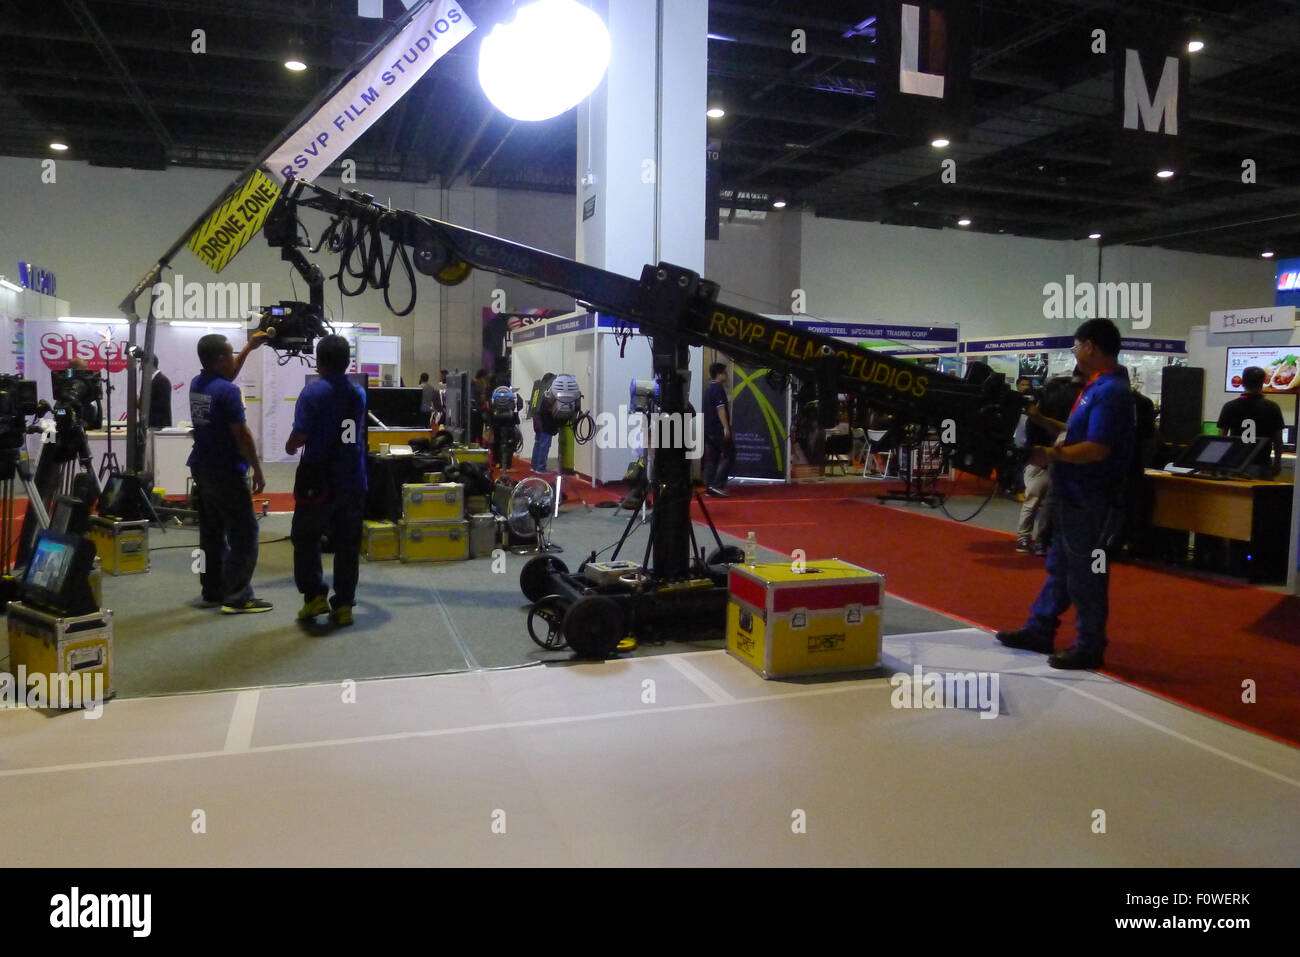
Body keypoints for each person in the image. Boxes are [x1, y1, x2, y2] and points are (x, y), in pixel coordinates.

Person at [996, 319, 1135, 670]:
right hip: (1074, 494)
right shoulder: (1097, 387)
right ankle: (1040, 628)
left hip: (1091, 497)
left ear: (1090, 345)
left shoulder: (1110, 392)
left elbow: (1097, 448)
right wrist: (1041, 419)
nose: (1074, 352)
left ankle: (1090, 645)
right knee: (1061, 567)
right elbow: (1075, 434)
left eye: (1076, 345)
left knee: (1087, 573)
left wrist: (1052, 455)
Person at [285, 335, 367, 627]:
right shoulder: (358, 394)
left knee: (306, 538)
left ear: (319, 362)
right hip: (352, 479)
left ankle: (314, 597)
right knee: (347, 544)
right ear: (348, 362)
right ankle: (344, 605)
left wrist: (289, 446)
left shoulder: (312, 393)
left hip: (317, 481)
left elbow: (300, 435)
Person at [188, 332, 270, 614]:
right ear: (221, 358)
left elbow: (228, 376)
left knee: (211, 533)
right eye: (231, 352)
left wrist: (249, 347)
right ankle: (237, 596)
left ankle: (212, 589)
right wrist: (257, 469)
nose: (234, 357)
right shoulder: (228, 392)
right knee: (244, 533)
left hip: (203, 467)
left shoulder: (199, 384)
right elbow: (242, 436)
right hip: (226, 471)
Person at [1017, 368, 1085, 554]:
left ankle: (1027, 539)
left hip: (1042, 454)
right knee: (1047, 501)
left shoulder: (1041, 406)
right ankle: (1040, 540)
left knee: (1035, 500)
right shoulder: (1077, 402)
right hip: (1055, 455)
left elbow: (1031, 429)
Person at [1218, 365, 1284, 477]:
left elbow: (1222, 438)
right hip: (1262, 462)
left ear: (1242, 383)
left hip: (1235, 463)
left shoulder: (1229, 406)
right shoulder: (1272, 407)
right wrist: (1277, 462)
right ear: (1263, 382)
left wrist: (1220, 463)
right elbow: (1278, 440)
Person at [702, 362, 734, 496]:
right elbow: (720, 409)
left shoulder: (708, 390)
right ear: (720, 374)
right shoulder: (718, 389)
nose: (727, 375)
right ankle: (717, 484)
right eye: (725, 373)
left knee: (712, 458)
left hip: (708, 429)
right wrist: (726, 427)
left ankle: (710, 487)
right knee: (730, 454)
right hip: (718, 428)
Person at [529, 372, 557, 473]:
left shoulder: (537, 390)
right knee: (544, 445)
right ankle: (541, 467)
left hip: (537, 422)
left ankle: (534, 466)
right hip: (545, 423)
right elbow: (547, 409)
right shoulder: (547, 392)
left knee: (537, 444)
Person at [148, 355, 173, 429]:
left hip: (160, 428)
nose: (140, 367)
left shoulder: (162, 380)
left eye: (142, 363)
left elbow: (162, 405)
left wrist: (142, 403)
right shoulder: (154, 380)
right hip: (154, 426)